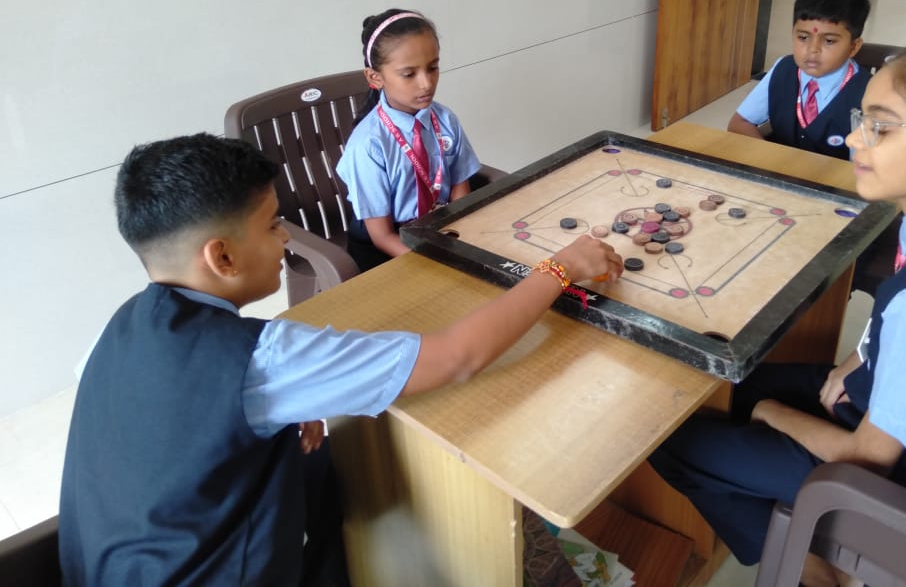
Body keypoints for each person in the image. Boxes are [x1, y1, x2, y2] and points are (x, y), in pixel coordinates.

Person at [59, 132, 622, 586]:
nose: (284, 239)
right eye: (273, 223)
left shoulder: (112, 335)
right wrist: (560, 267)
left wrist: (273, 411)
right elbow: (457, 358)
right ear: (222, 255)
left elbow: (174, 427)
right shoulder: (265, 359)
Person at [651, 41, 906, 587]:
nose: (855, 138)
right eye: (862, 118)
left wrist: (770, 412)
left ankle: (811, 571)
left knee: (672, 440)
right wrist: (861, 358)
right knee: (722, 384)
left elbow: (867, 460)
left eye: (881, 127)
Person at [336, 8, 480, 271]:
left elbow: (461, 187)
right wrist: (434, 264)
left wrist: (459, 240)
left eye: (433, 68)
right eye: (409, 74)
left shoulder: (445, 119)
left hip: (440, 229)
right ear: (375, 77)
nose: (426, 84)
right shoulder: (368, 144)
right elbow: (381, 236)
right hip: (386, 248)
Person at [728, 0, 872, 160]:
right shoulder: (784, 69)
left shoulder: (869, 94)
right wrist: (772, 161)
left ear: (853, 47)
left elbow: (860, 167)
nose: (813, 50)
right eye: (803, 37)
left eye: (829, 41)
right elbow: (739, 123)